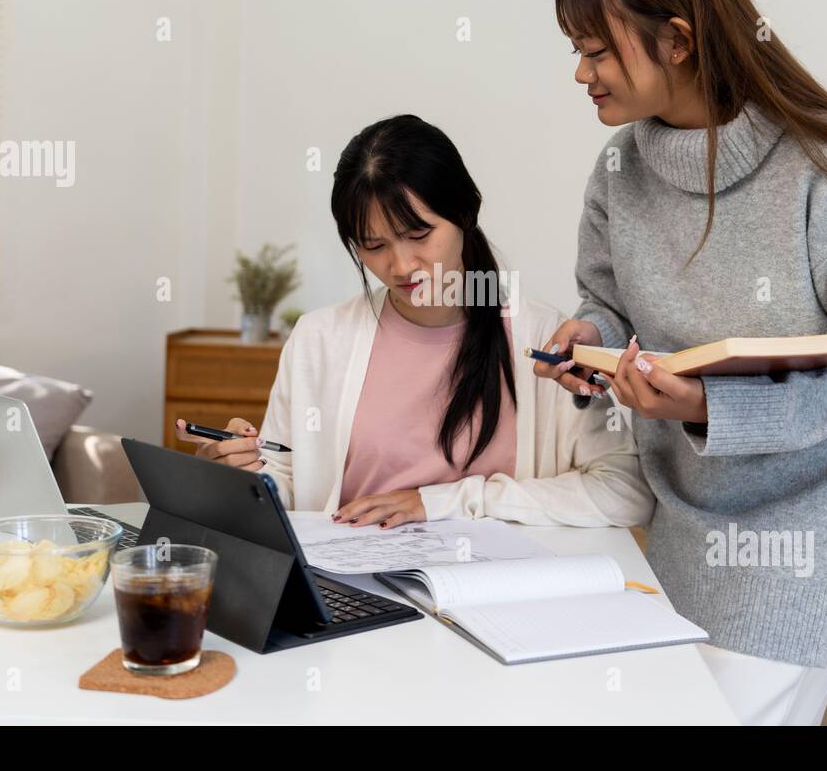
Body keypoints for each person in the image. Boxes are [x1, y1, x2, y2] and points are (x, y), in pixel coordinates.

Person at [535, 0, 827, 724]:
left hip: (809, 531)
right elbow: (606, 302)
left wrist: (714, 406)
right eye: (577, 50)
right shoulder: (619, 168)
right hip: (682, 523)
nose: (581, 72)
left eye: (597, 49)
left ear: (676, 39)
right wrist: (590, 341)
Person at [179, 113, 654, 531]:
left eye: (419, 234)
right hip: (358, 594)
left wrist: (443, 503)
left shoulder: (545, 343)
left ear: (465, 212)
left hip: (494, 603)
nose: (402, 266)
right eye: (374, 245)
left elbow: (624, 492)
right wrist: (240, 480)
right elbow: (289, 479)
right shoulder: (319, 340)